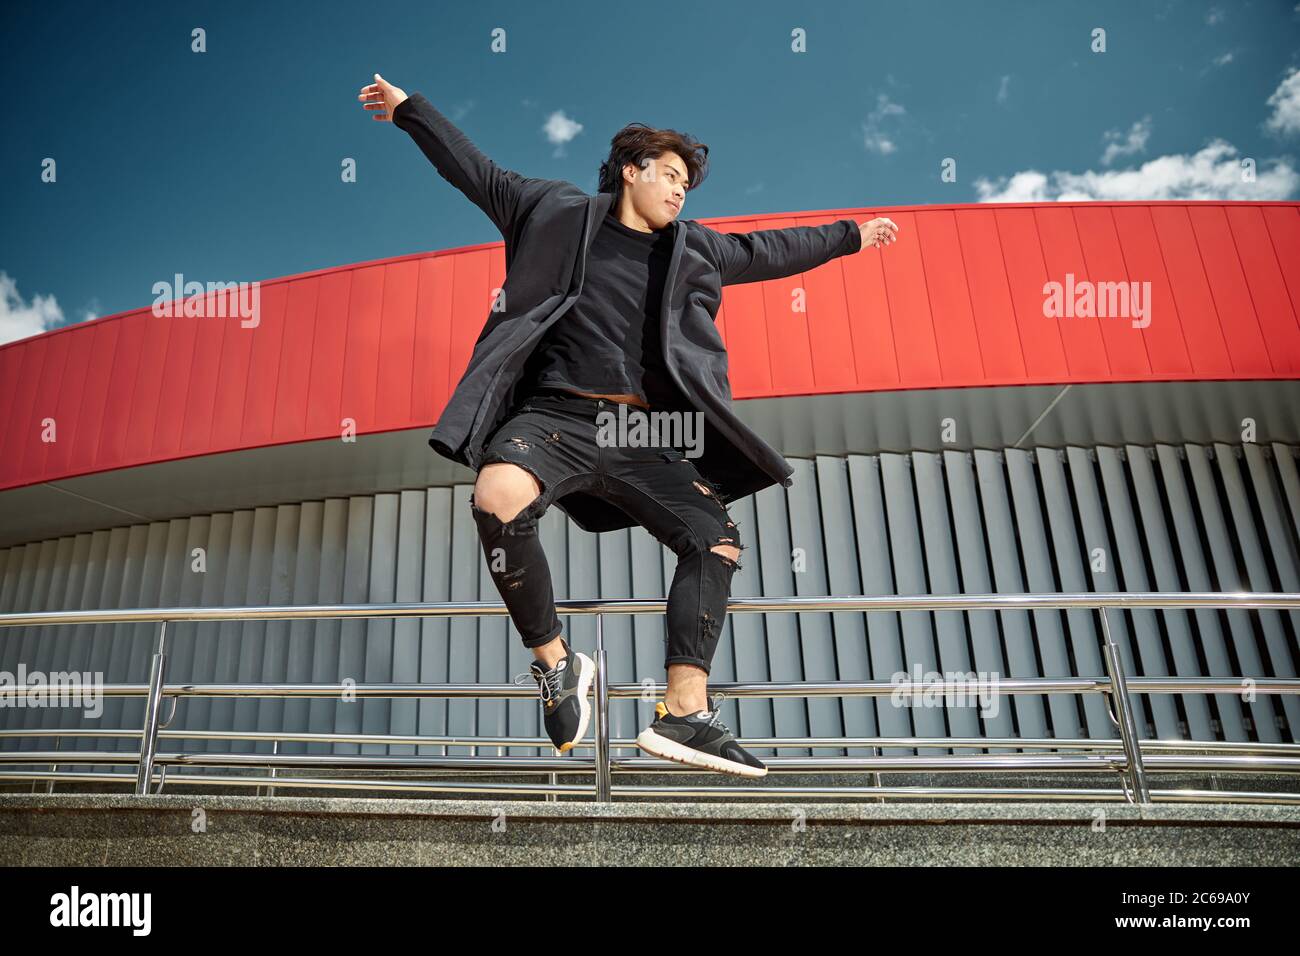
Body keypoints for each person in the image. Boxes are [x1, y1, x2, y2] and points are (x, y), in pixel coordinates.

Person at [359, 73, 898, 778]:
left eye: (686, 184)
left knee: (716, 538)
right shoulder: (551, 210)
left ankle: (684, 713)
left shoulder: (695, 248)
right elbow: (476, 171)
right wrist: (411, 111)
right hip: (555, 413)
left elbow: (772, 250)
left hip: (643, 433)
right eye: (669, 176)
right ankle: (555, 663)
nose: (679, 191)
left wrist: (851, 236)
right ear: (630, 171)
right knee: (496, 497)